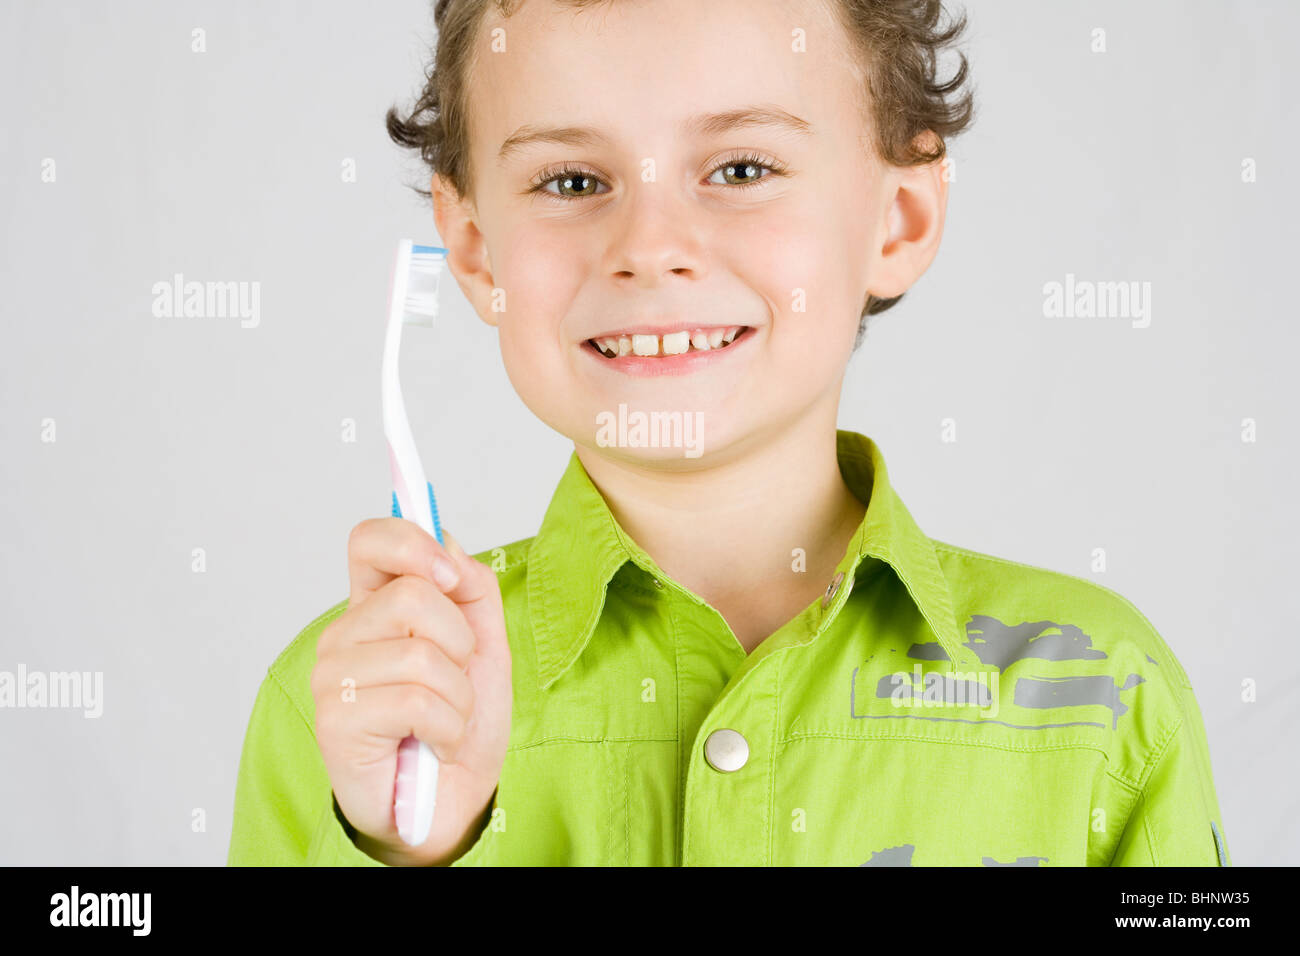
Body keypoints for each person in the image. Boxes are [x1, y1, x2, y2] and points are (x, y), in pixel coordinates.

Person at [228, 0, 1229, 866]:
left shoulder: (1106, 695)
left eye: (742, 167)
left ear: (901, 220)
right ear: (476, 248)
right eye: (572, 182)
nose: (649, 247)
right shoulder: (359, 703)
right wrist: (416, 846)